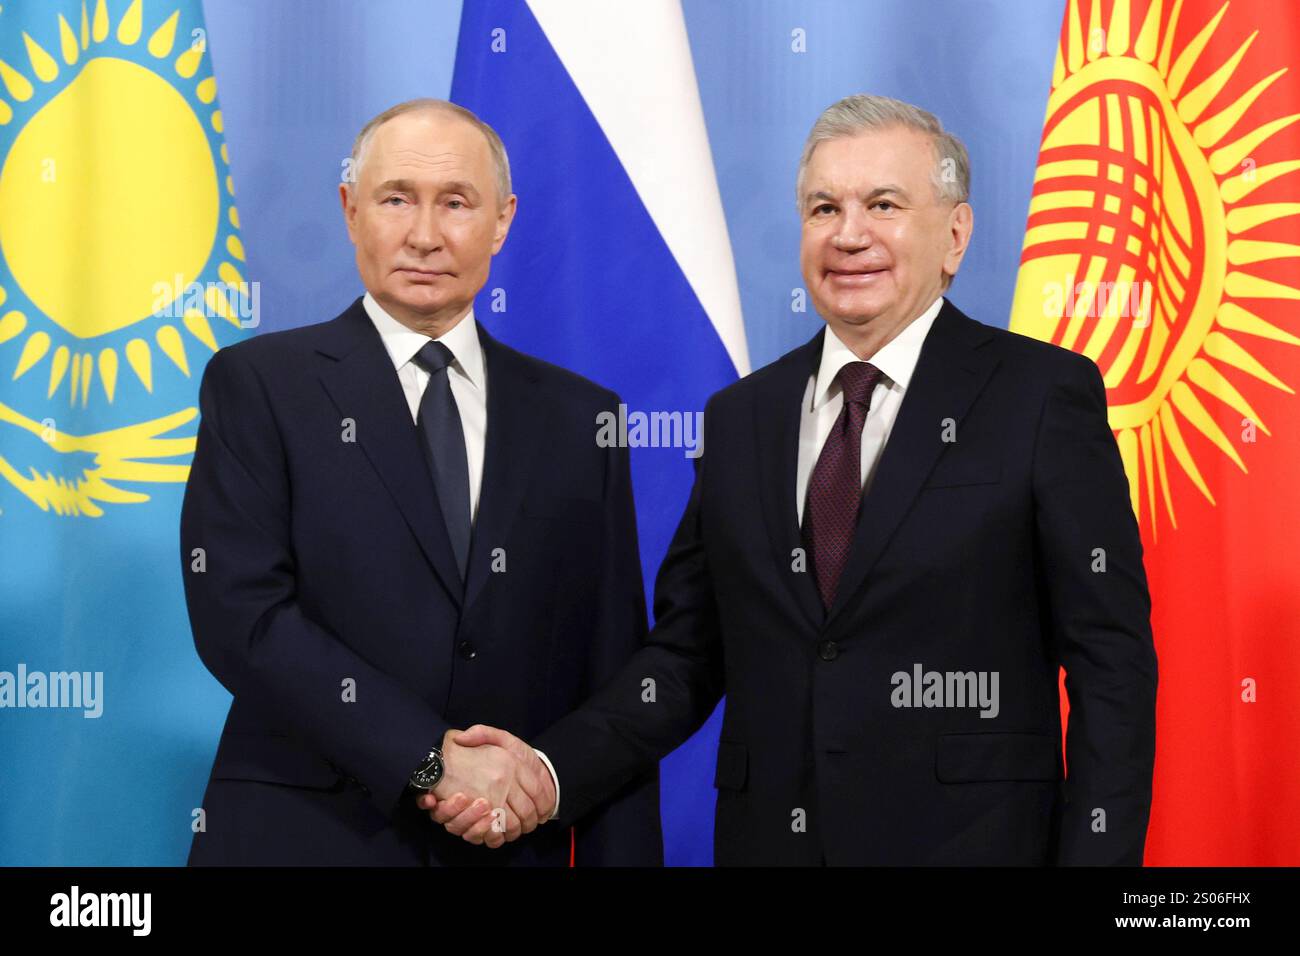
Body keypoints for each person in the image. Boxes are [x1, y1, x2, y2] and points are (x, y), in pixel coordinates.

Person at [425, 93, 1158, 865]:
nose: (848, 235)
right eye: (823, 208)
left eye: (883, 204)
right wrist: (546, 770)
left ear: (954, 234)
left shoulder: (1041, 397)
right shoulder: (742, 417)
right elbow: (684, 657)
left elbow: (1111, 664)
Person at [181, 98, 660, 866]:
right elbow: (243, 619)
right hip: (307, 842)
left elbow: (612, 672)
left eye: (457, 203)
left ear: (502, 221)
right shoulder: (259, 386)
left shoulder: (582, 420)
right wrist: (429, 760)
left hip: (510, 847)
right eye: (397, 198)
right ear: (350, 210)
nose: (425, 235)